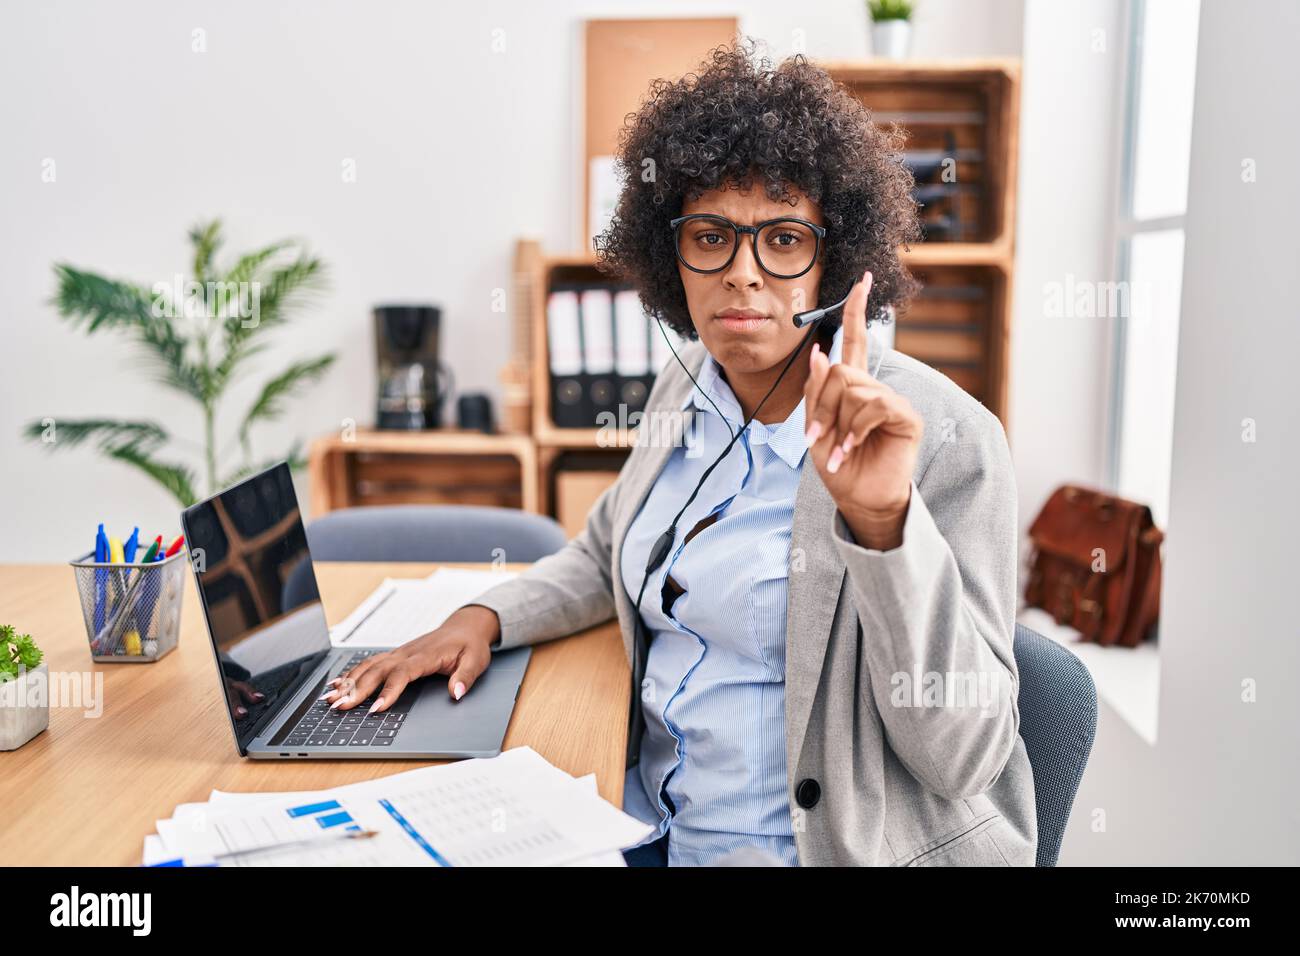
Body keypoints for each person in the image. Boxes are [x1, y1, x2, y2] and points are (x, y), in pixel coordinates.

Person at [322, 39, 1037, 867]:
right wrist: (482, 618)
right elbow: (603, 550)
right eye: (711, 237)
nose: (742, 273)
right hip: (651, 828)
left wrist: (883, 525)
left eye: (782, 239)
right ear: (672, 256)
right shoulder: (690, 384)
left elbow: (967, 754)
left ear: (834, 257)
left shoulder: (947, 440)